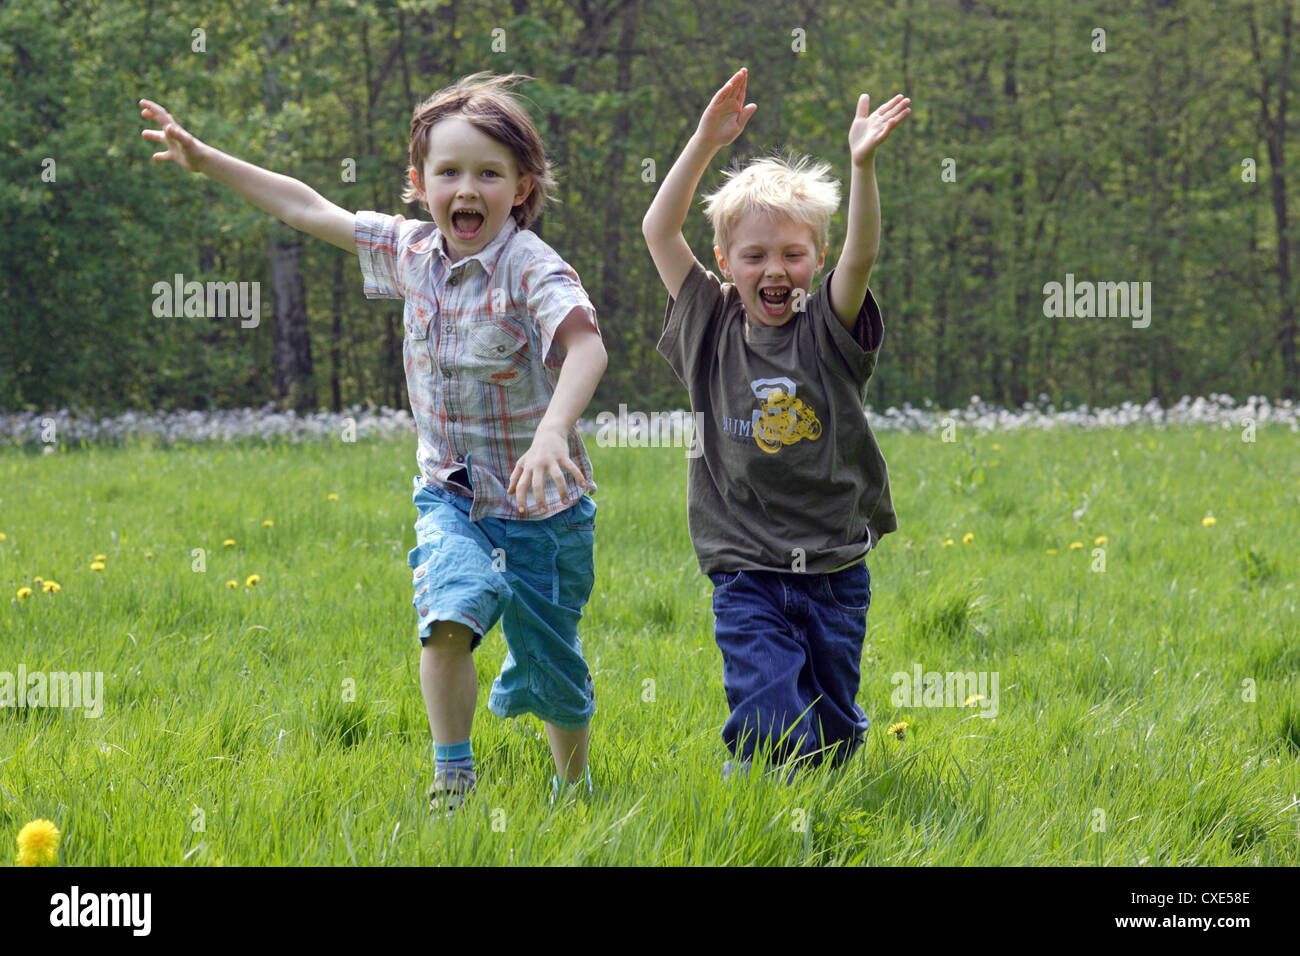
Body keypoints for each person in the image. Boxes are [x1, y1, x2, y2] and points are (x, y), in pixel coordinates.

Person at [141, 72, 607, 809]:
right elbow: (305, 206)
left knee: (550, 662)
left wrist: (552, 434)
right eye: (449, 171)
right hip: (451, 498)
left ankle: (576, 790)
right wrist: (209, 161)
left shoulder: (532, 268)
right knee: (448, 618)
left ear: (521, 188)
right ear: (420, 184)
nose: (467, 187)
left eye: (489, 173)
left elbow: (586, 349)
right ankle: (453, 777)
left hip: (544, 510)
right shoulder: (410, 253)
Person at [642, 67, 909, 776]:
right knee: (770, 716)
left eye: (794, 254)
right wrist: (704, 141)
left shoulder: (829, 325)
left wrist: (862, 165)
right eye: (755, 255)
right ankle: (759, 788)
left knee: (834, 729)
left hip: (834, 565)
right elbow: (658, 229)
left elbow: (865, 251)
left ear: (816, 260)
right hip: (745, 566)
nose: (776, 269)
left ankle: (822, 778)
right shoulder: (709, 322)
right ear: (726, 262)